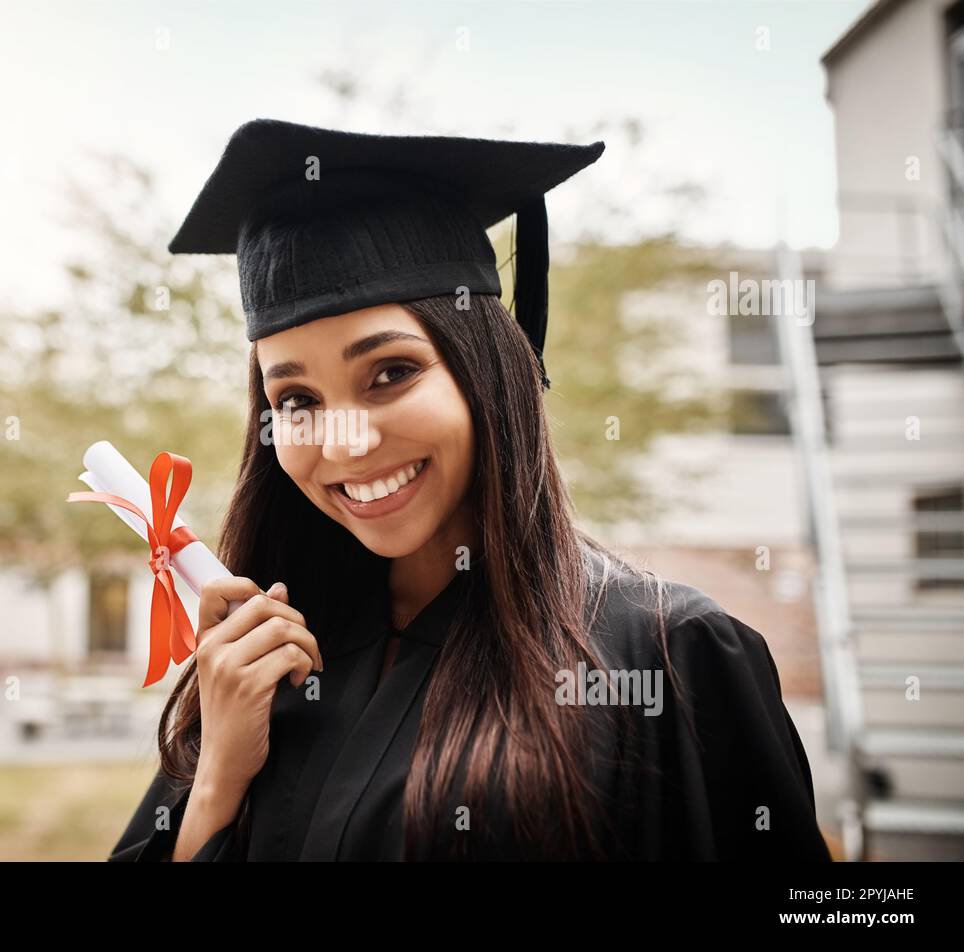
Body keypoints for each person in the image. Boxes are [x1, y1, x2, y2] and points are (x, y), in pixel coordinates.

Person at [108, 118, 832, 861]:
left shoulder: (665, 657)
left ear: (485, 370)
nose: (344, 442)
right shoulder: (265, 661)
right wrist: (218, 779)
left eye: (391, 373)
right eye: (297, 401)